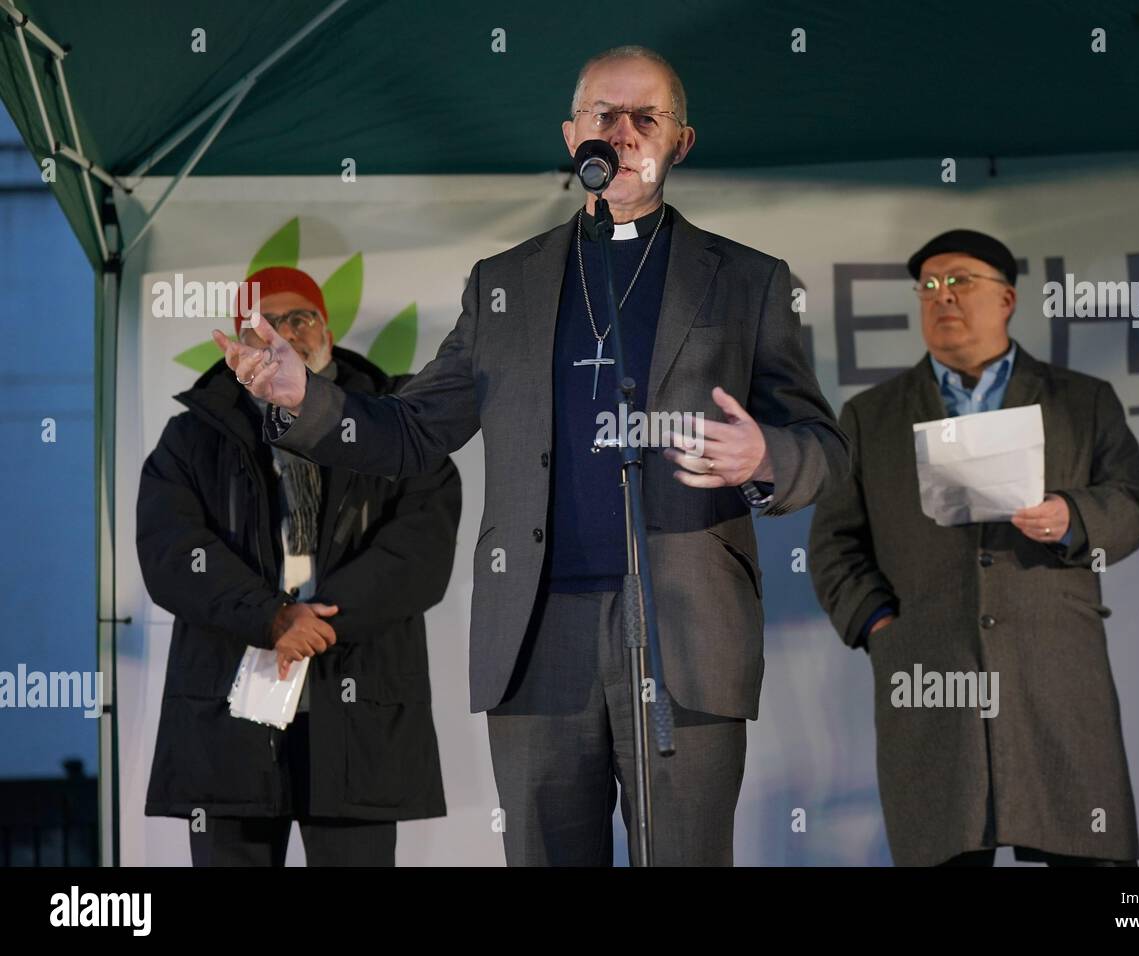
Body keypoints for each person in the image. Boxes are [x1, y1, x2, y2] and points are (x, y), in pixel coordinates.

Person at [212, 46, 847, 866]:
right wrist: (304, 399)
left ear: (680, 143)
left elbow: (824, 449)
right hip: (537, 634)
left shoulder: (747, 282)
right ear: (569, 134)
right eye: (602, 117)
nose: (620, 135)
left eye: (643, 119)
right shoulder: (502, 283)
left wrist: (765, 457)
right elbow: (411, 431)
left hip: (683, 630)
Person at [809, 229, 1139, 866]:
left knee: (1086, 851)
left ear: (1007, 300)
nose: (944, 298)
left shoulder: (1082, 402)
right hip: (930, 674)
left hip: (1054, 673)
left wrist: (1072, 516)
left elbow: (1133, 504)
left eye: (961, 281)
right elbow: (834, 544)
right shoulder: (871, 416)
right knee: (947, 850)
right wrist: (882, 628)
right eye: (931, 287)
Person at [140, 266, 461, 866]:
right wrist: (272, 617)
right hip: (227, 720)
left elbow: (419, 551)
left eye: (299, 318)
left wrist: (321, 621)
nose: (282, 335)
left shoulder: (396, 425)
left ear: (328, 332)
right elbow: (172, 554)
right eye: (263, 325)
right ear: (238, 343)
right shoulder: (189, 440)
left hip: (357, 706)